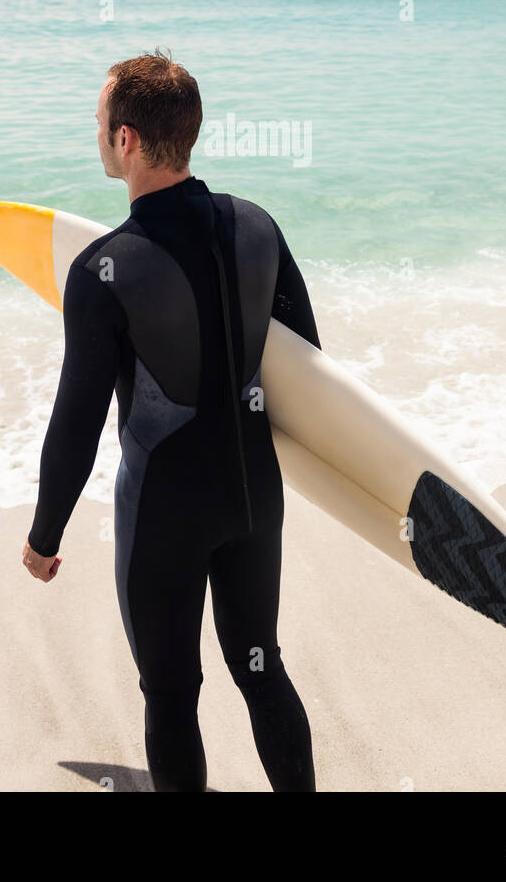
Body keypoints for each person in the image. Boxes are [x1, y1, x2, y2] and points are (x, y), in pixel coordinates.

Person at [21, 49, 321, 792]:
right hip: (256, 495)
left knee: (172, 694)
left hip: (166, 510)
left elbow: (77, 422)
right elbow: (308, 366)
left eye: (98, 119)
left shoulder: (102, 271)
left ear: (125, 140)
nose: (95, 131)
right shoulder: (259, 228)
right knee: (262, 667)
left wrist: (44, 535)